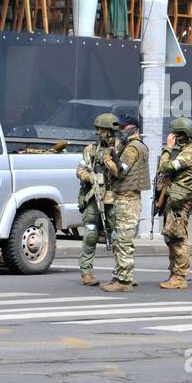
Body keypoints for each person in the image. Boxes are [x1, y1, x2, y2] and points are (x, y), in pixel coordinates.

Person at [100, 114, 148, 293]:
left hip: (128, 200)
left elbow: (120, 172)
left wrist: (107, 159)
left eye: (124, 127)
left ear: (132, 128)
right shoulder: (130, 146)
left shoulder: (133, 149)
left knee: (124, 242)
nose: (121, 131)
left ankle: (124, 281)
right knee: (120, 240)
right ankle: (119, 276)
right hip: (126, 199)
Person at [155, 116, 192, 289]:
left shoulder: (188, 155)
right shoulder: (189, 151)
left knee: (178, 238)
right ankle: (175, 272)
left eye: (175, 133)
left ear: (182, 135)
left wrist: (168, 148)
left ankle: (180, 276)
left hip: (179, 203)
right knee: (172, 237)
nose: (172, 136)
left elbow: (165, 167)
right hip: (176, 200)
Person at [77, 113, 119, 286]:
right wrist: (90, 177)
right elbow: (80, 169)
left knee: (117, 235)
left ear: (110, 131)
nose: (99, 132)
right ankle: (86, 271)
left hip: (113, 198)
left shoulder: (121, 149)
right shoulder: (90, 150)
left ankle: (122, 272)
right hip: (94, 197)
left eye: (102, 129)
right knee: (91, 232)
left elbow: (123, 172)